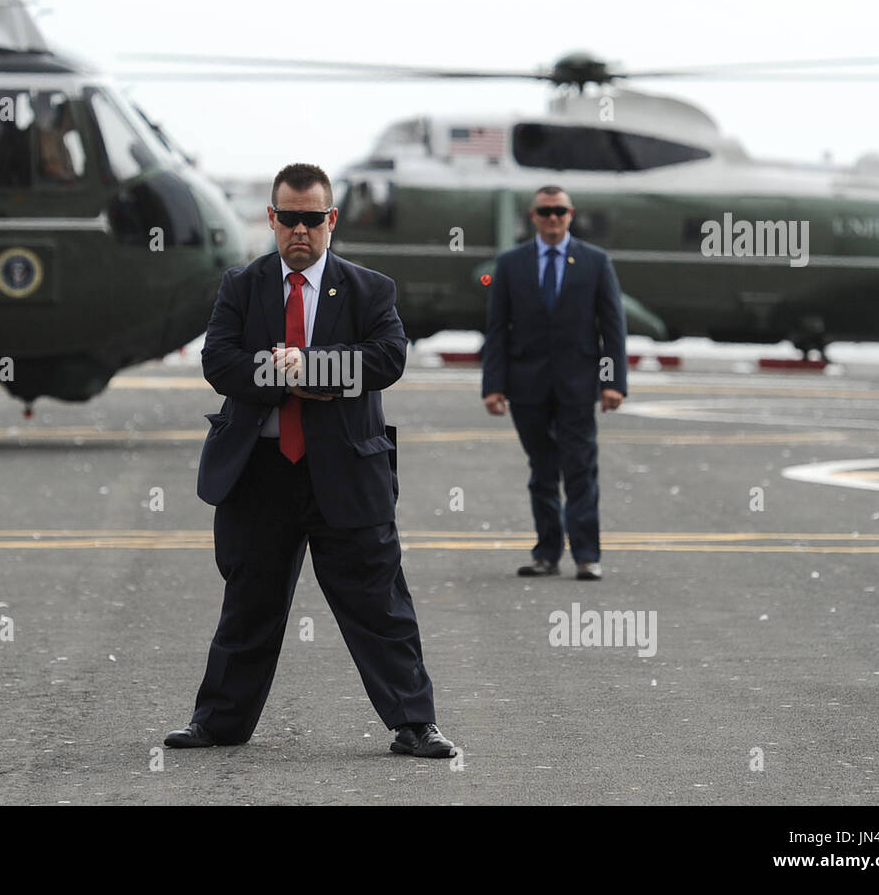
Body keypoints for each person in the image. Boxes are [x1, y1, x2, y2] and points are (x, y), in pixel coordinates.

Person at [166, 163, 455, 758]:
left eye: (312, 219)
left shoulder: (371, 289)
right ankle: (218, 722)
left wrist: (313, 366)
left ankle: (415, 723)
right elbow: (218, 362)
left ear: (331, 220)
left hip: (345, 473)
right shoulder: (241, 287)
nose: (301, 230)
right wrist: (283, 371)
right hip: (261, 472)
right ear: (272, 218)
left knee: (378, 603)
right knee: (250, 603)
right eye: (289, 218)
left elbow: (387, 358)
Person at [481, 185, 628, 580]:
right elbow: (496, 330)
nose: (552, 218)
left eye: (559, 211)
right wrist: (492, 385)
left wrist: (612, 382)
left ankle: (586, 555)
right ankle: (546, 553)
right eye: (545, 211)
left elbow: (612, 326)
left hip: (578, 385)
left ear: (571, 214)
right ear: (533, 216)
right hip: (526, 385)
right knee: (542, 472)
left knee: (580, 470)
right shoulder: (511, 264)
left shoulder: (596, 262)